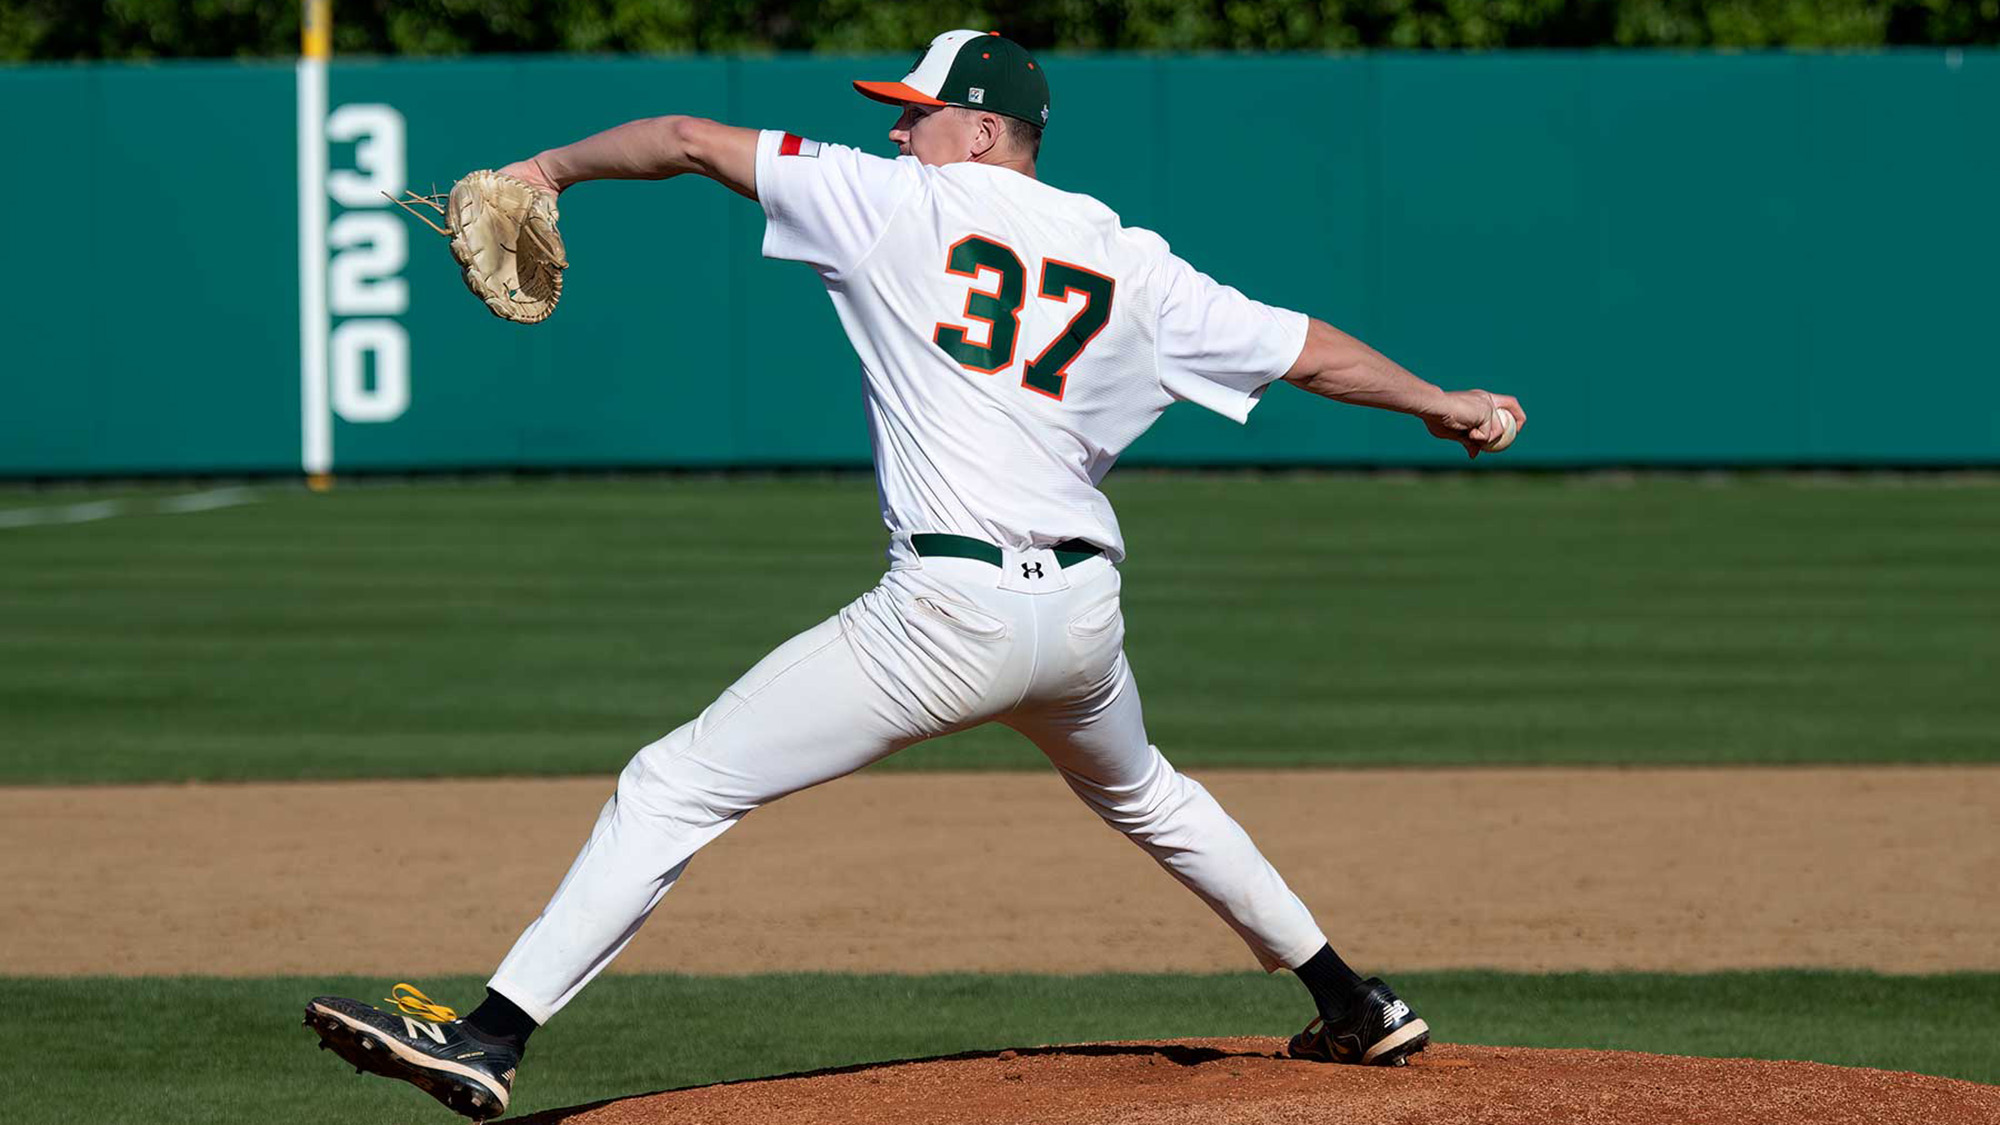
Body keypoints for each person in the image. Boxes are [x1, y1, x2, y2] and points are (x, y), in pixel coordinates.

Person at [304, 29, 1525, 1121]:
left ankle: (492, 1037)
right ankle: (1349, 1000)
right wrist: (1442, 402)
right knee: (1147, 793)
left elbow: (681, 137)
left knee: (672, 785)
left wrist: (544, 171)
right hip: (1080, 620)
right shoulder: (1133, 261)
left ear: (982, 131)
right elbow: (1307, 351)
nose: (895, 130)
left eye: (914, 111)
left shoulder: (893, 203)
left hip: (947, 614)